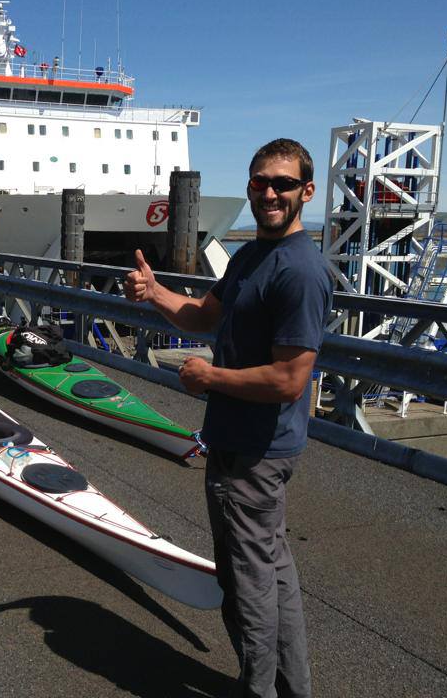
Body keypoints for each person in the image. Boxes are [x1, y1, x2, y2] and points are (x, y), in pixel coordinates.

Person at [125, 138, 332, 698]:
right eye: (260, 182)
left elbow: (291, 379)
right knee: (272, 575)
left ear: (305, 192)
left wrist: (211, 379)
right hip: (241, 445)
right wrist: (153, 292)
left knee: (247, 588)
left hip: (255, 454)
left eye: (283, 184)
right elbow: (202, 314)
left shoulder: (301, 272)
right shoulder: (250, 257)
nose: (269, 192)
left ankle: (258, 690)